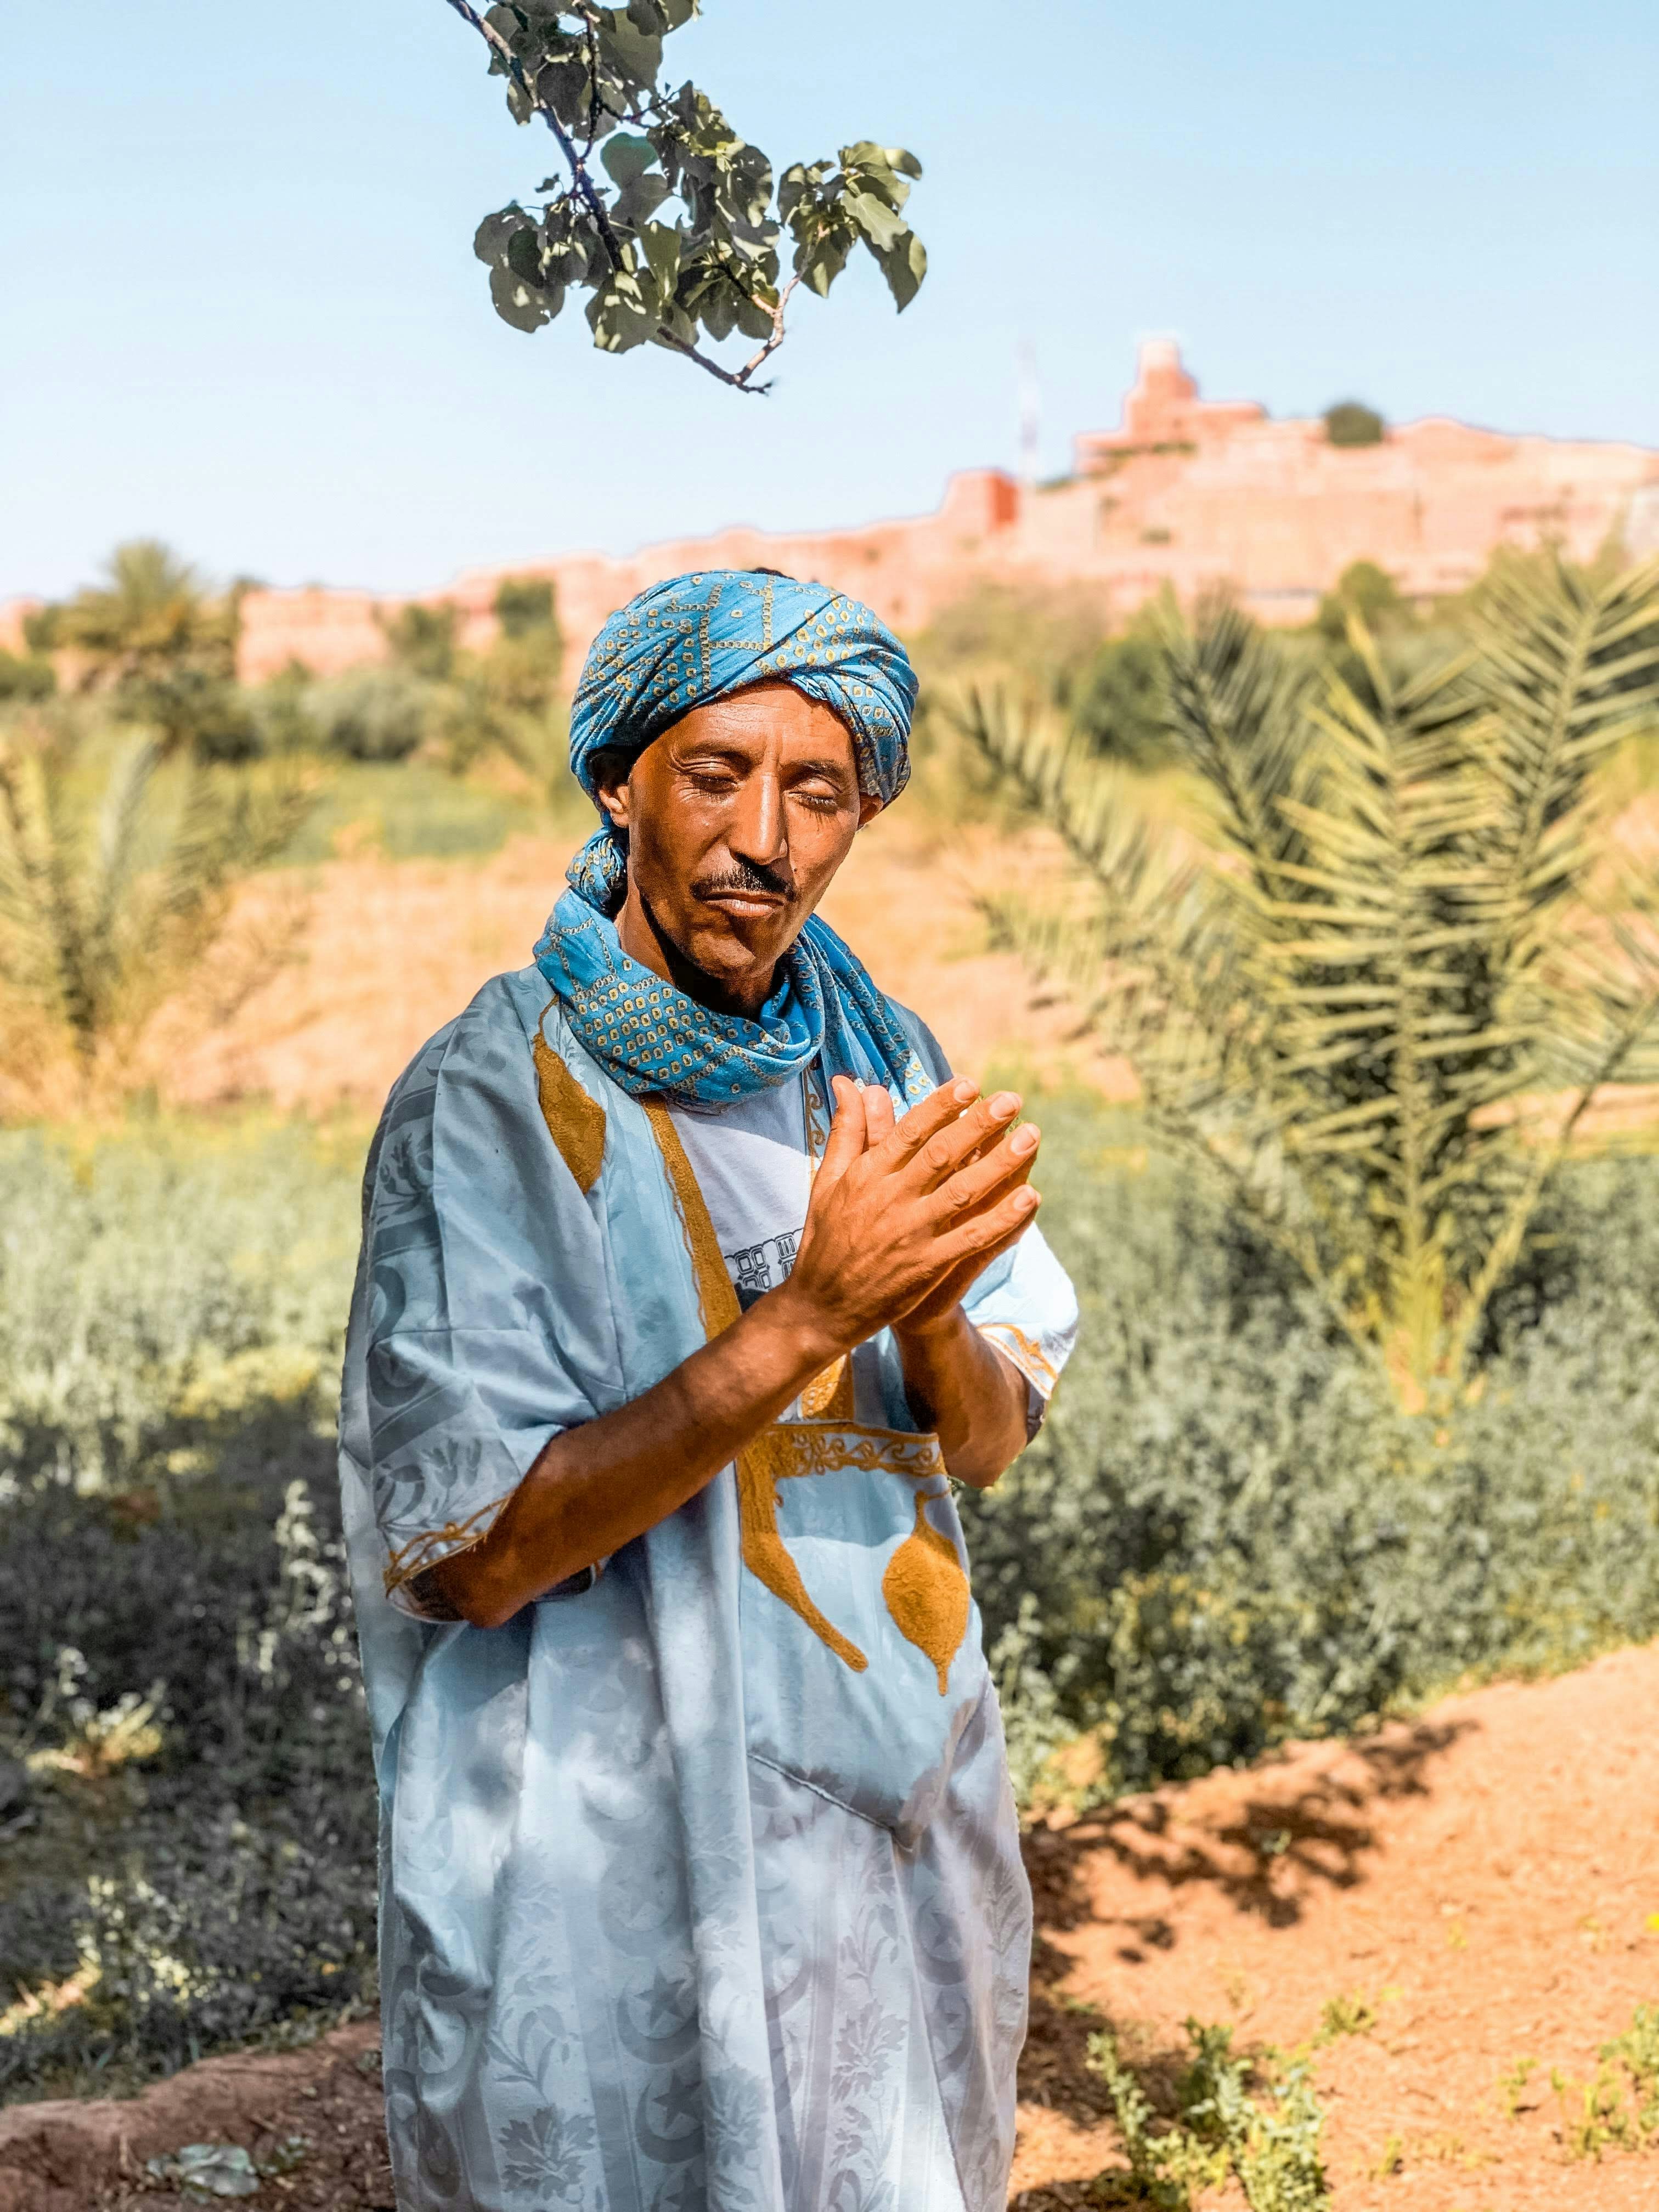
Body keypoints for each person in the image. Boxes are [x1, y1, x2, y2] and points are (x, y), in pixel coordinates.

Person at [338, 569, 1079, 2212]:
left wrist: (935, 1313)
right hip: (616, 1855)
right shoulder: (498, 1098)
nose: (765, 836)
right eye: (713, 774)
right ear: (623, 784)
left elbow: (988, 1442)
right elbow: (474, 1553)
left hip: (891, 1811)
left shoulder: (885, 1066)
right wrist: (809, 1312)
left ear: (862, 811)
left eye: (816, 788)